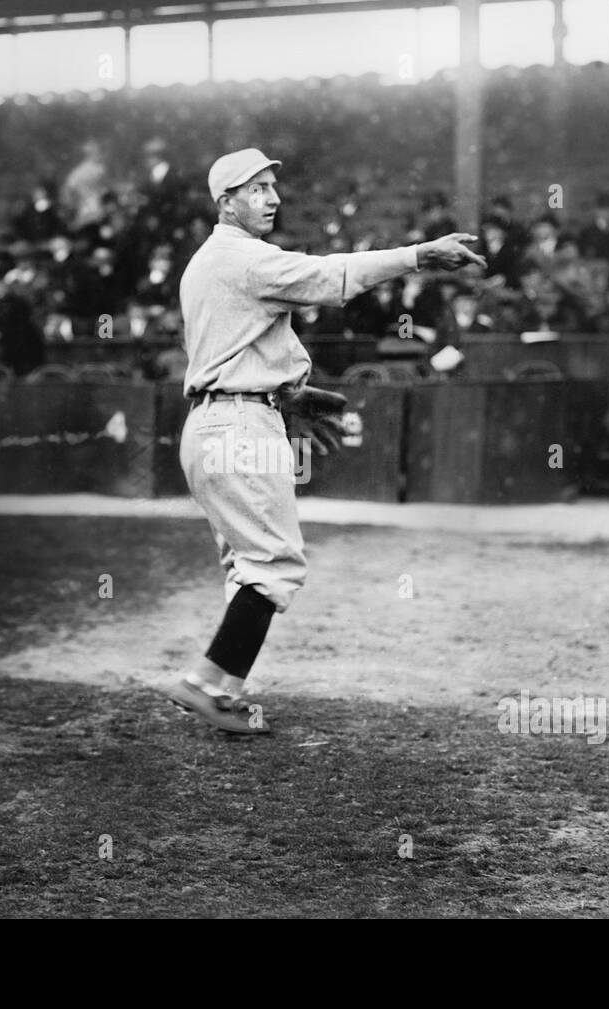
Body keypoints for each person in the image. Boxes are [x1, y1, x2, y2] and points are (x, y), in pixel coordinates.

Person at [166, 148, 484, 734]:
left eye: (271, 186)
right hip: (238, 426)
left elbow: (234, 349)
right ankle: (206, 685)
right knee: (273, 567)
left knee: (249, 566)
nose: (272, 198)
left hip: (215, 423)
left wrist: (288, 397)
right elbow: (332, 278)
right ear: (225, 203)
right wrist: (416, 255)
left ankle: (221, 688)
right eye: (255, 189)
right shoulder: (243, 258)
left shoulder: (205, 263)